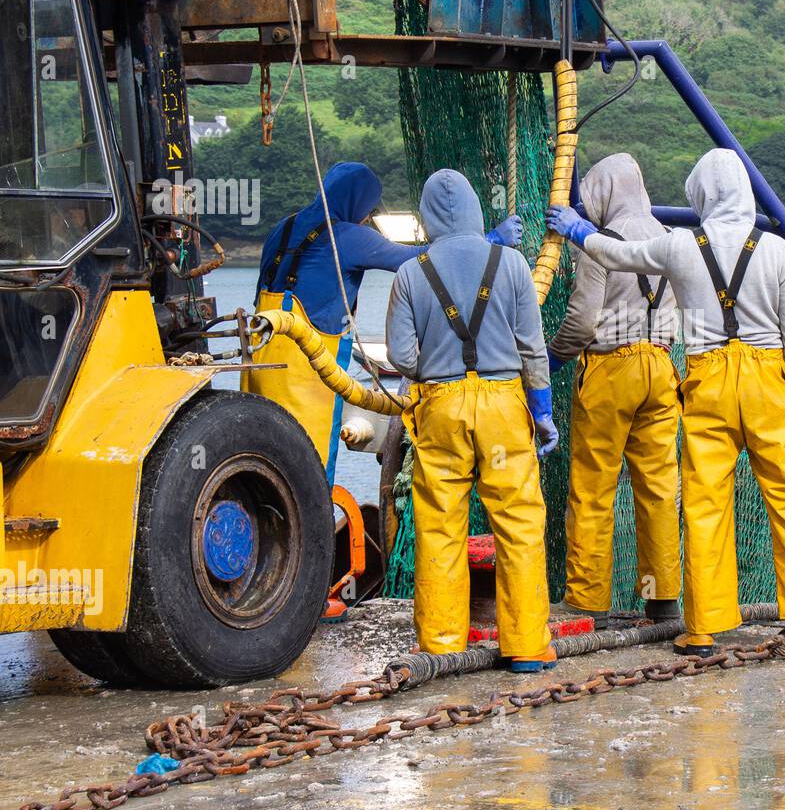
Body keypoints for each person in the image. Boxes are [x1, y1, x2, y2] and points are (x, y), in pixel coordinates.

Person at [547, 148, 785, 660]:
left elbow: (616, 257)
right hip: (767, 378)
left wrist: (575, 230)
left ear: (701, 194)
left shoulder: (682, 245)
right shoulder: (773, 250)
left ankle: (702, 629)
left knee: (705, 503)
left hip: (706, 380)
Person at [243, 161, 522, 482]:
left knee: (263, 456)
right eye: (367, 209)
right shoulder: (345, 237)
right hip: (306, 372)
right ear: (356, 201)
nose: (366, 218)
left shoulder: (285, 227)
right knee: (306, 465)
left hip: (261, 362)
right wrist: (488, 240)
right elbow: (416, 260)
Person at [387, 169, 559, 674]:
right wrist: (543, 413)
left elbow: (401, 355)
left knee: (440, 522)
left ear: (426, 216)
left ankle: (440, 643)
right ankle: (527, 644)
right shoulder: (510, 264)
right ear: (475, 210)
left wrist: (435, 370)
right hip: (504, 406)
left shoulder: (409, 272)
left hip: (440, 406)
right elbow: (533, 348)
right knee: (519, 522)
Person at [548, 154, 682, 629]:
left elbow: (583, 319)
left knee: (593, 487)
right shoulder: (672, 240)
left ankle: (588, 601)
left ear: (603, 191)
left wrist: (552, 359)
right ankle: (663, 599)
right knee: (659, 487)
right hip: (662, 367)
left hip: (610, 368)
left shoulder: (597, 244)